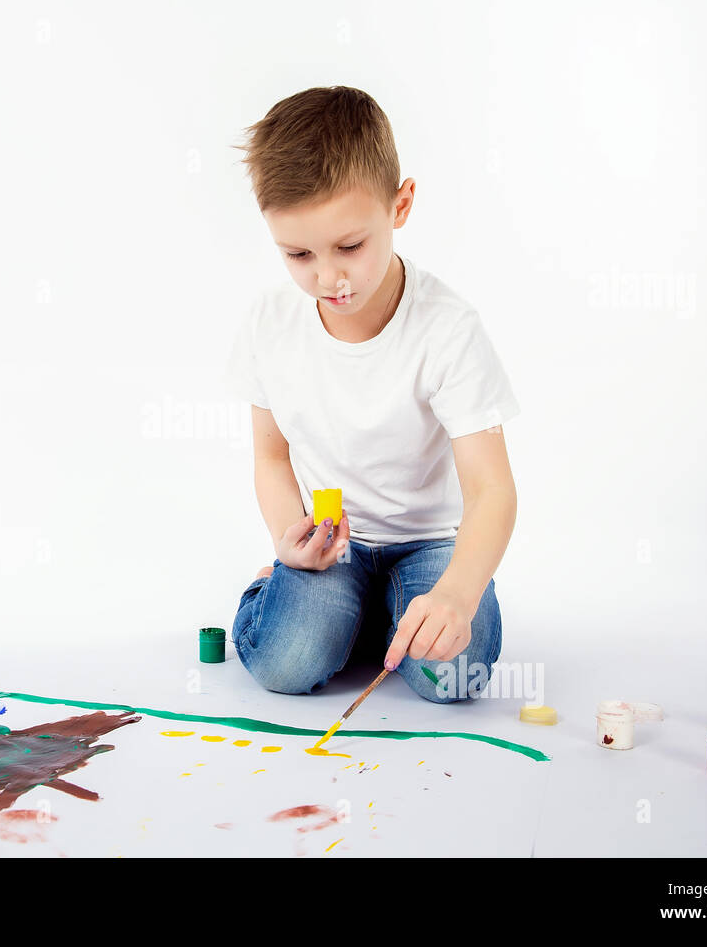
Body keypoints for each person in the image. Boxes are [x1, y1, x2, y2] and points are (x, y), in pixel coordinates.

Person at [223, 86, 520, 703]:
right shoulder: (269, 325)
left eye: (350, 247)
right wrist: (290, 542)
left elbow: (493, 490)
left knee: (453, 677)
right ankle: (286, 591)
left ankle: (374, 611)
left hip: (433, 543)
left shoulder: (448, 329)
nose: (328, 278)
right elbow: (271, 457)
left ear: (400, 204)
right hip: (335, 539)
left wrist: (459, 593)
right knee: (286, 663)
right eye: (298, 254)